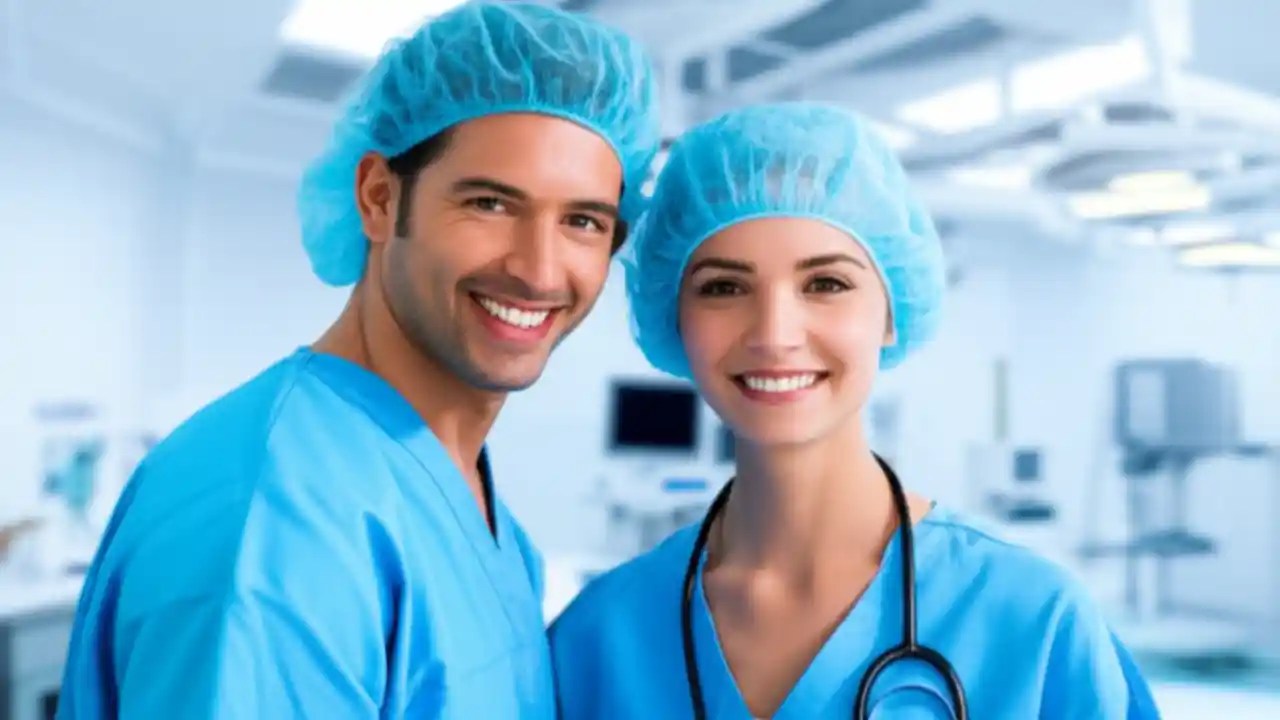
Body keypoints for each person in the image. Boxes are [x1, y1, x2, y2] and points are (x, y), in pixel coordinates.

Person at [55, 3, 660, 718]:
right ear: (379, 198)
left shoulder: (482, 514)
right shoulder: (278, 521)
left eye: (582, 221)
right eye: (491, 203)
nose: (538, 269)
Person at [549, 103, 1160, 719]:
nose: (774, 334)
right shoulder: (600, 638)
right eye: (723, 287)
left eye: (826, 284)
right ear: (675, 320)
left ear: (893, 310)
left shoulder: (1032, 621)